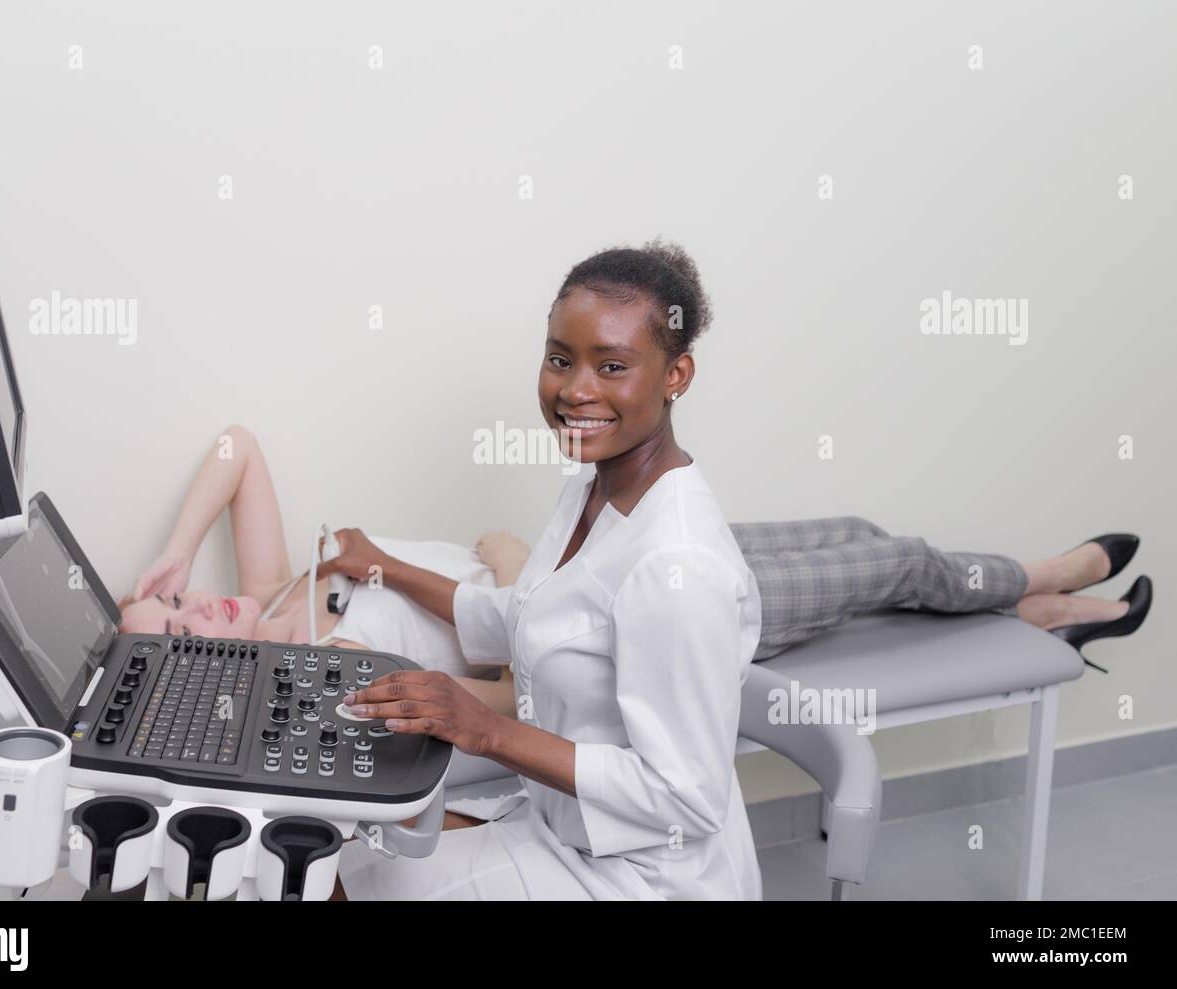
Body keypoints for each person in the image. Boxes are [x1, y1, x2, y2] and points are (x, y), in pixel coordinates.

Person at [119, 240, 1152, 899]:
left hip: (645, 875)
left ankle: (1044, 589)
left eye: (611, 365)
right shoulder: (588, 489)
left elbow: (684, 797)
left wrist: (479, 724)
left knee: (360, 884)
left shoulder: (679, 568)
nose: (574, 390)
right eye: (559, 358)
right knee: (345, 860)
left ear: (675, 373)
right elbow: (509, 619)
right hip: (561, 822)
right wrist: (395, 619)